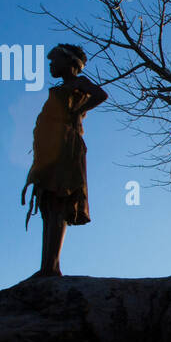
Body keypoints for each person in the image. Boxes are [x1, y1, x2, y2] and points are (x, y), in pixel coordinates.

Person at [21, 44, 107, 277]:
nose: (51, 65)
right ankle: (47, 266)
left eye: (55, 60)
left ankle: (51, 267)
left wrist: (78, 112)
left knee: (59, 204)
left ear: (70, 63)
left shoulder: (78, 84)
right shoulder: (61, 89)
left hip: (66, 149)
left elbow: (101, 94)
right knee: (48, 206)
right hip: (50, 151)